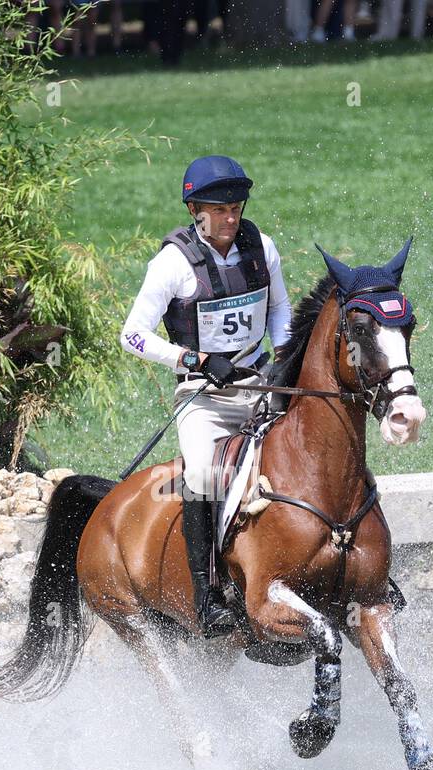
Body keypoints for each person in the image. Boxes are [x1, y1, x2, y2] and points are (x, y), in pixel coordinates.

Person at [119, 156, 293, 635]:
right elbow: (132, 335)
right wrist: (192, 360)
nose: (231, 219)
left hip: (259, 383)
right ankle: (207, 594)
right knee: (201, 472)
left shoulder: (262, 248)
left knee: (313, 441)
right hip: (205, 396)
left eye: (236, 209)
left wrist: (282, 353)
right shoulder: (172, 263)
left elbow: (280, 309)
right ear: (195, 209)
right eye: (220, 211)